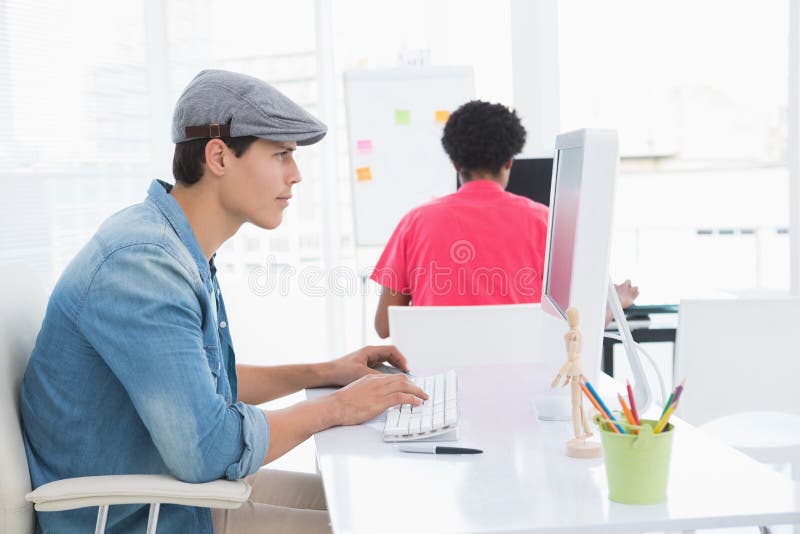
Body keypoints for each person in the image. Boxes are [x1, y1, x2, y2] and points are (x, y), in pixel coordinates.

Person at [20, 69, 427, 534]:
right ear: (218, 156)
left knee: (376, 506)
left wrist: (326, 373)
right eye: (281, 154)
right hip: (136, 516)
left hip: (167, 494)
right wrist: (335, 408)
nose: (295, 176)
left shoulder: (170, 246)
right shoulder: (142, 266)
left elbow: (203, 388)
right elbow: (205, 447)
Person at [371, 100, 638, 338]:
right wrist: (614, 306)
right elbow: (574, 331)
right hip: (525, 385)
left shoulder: (414, 223)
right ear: (509, 161)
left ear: (455, 164)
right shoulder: (547, 223)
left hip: (434, 388)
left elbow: (385, 326)